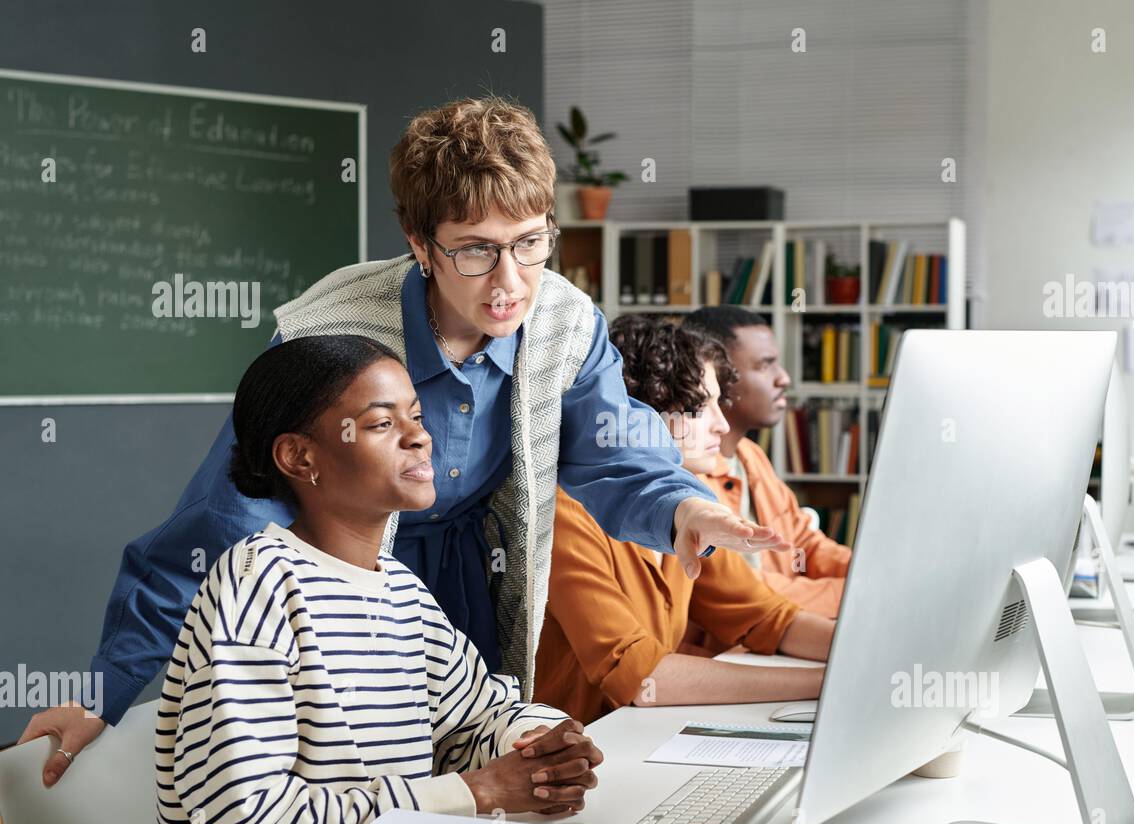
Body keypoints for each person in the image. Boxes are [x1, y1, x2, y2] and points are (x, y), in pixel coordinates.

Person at [22, 96, 786, 785]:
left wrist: (689, 511)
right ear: (419, 243)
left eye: (530, 243)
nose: (509, 282)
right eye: (476, 249)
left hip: (474, 588)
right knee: (353, 789)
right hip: (334, 598)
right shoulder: (330, 336)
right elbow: (215, 528)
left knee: (471, 778)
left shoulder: (563, 322)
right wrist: (104, 694)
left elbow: (619, 456)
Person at [155, 335, 600, 824]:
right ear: (300, 456)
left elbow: (474, 721)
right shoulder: (257, 587)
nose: (419, 438)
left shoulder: (398, 587)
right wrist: (476, 793)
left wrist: (540, 742)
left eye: (415, 415)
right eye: (382, 424)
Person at [532, 316, 833, 725]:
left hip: (640, 735)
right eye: (696, 409)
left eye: (717, 403)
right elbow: (639, 677)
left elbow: (765, 618)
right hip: (574, 752)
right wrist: (825, 683)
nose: (722, 425)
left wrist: (871, 653)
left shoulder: (691, 506)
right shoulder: (567, 512)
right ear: (636, 419)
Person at [683, 305, 850, 618]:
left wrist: (871, 571)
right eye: (765, 366)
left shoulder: (750, 456)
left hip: (781, 633)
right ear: (718, 376)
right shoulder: (687, 477)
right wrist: (859, 592)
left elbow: (806, 545)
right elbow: (748, 594)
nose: (783, 378)